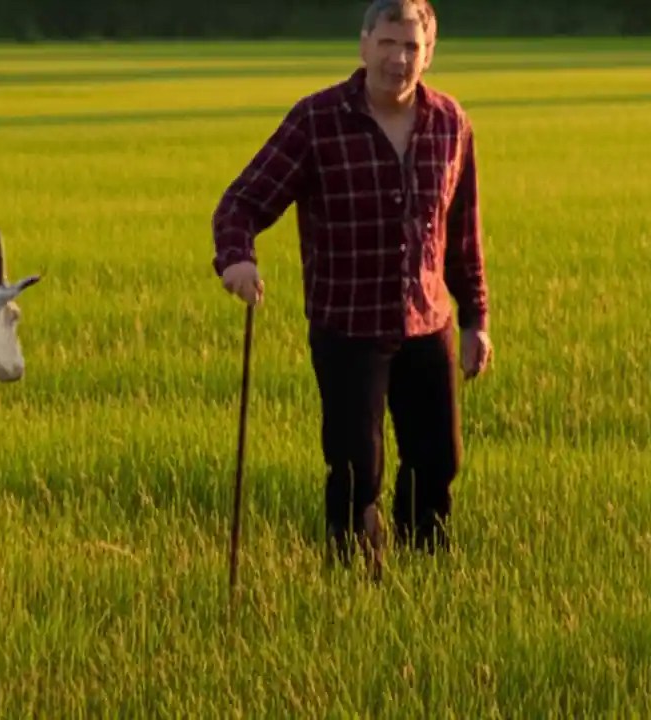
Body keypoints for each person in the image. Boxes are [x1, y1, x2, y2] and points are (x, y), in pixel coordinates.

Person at [210, 0, 491, 575]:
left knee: (438, 462)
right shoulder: (317, 121)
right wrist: (237, 260)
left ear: (430, 52)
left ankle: (425, 573)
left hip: (426, 323)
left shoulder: (450, 123)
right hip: (348, 327)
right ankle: (352, 578)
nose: (399, 58)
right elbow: (242, 202)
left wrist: (475, 320)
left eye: (412, 46)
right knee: (356, 469)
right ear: (364, 46)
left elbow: (462, 232)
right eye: (388, 43)